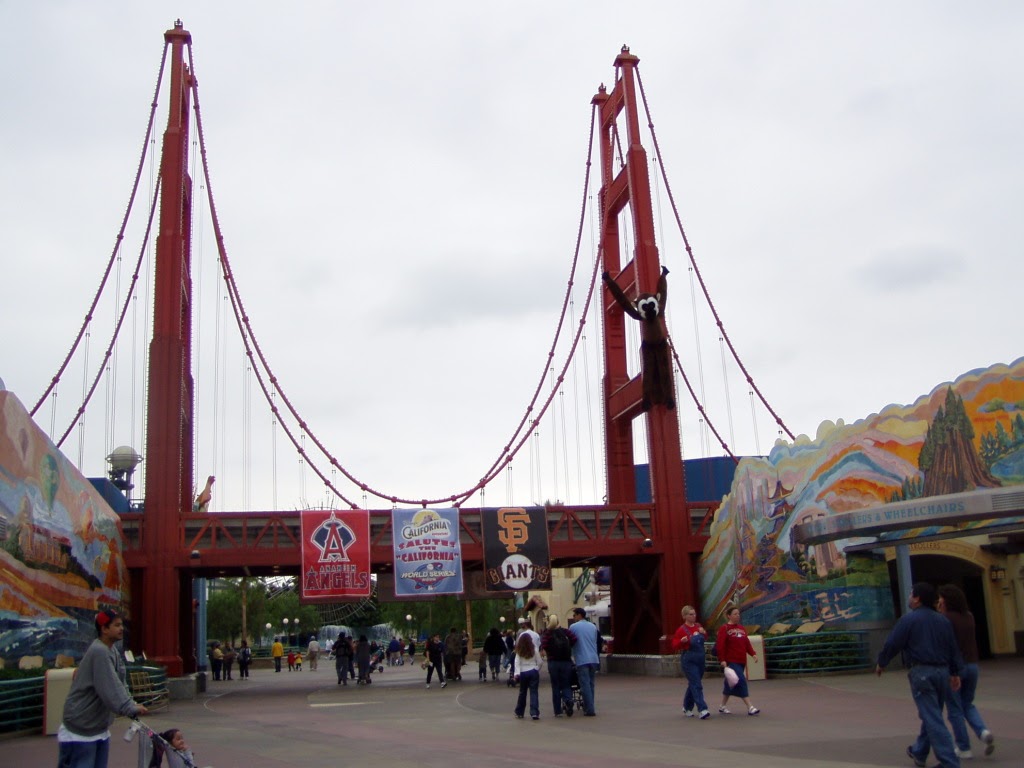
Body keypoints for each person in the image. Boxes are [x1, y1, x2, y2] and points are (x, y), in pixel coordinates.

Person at [876, 581, 963, 768]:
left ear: (917, 598)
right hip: (943, 672)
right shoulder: (942, 620)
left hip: (922, 672)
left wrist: (882, 662)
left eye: (911, 594)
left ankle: (950, 762)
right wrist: (955, 672)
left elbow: (893, 643)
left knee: (932, 717)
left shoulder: (909, 620)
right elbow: (952, 647)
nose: (909, 597)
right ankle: (919, 751)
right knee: (932, 714)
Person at [57, 609, 148, 768]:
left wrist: (129, 703)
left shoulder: (111, 650)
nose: (121, 629)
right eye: (117, 625)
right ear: (104, 629)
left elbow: (119, 680)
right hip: (80, 728)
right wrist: (128, 707)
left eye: (122, 625)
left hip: (96, 726)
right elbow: (108, 686)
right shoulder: (99, 651)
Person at [937, 584, 995, 757]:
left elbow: (944, 643)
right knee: (967, 703)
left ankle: (964, 747)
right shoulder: (969, 616)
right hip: (972, 665)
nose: (938, 601)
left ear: (947, 600)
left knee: (954, 709)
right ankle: (983, 732)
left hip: (954, 668)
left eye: (940, 598)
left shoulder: (945, 619)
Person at [665, 605, 710, 719]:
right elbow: (674, 645)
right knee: (696, 684)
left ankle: (687, 706)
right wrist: (681, 641)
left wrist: (703, 632)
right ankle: (702, 709)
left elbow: (704, 638)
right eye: (691, 614)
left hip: (700, 657)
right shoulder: (681, 630)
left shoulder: (698, 626)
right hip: (689, 658)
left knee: (694, 683)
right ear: (685, 616)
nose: (693, 616)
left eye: (694, 614)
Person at [715, 605, 760, 715]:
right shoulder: (724, 628)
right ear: (729, 616)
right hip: (731, 661)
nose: (737, 616)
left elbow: (746, 643)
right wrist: (722, 659)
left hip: (741, 661)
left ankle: (722, 706)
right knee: (740, 681)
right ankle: (750, 706)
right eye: (735, 614)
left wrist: (753, 654)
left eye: (738, 614)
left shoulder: (742, 628)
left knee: (730, 683)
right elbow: (720, 645)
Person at [540, 614, 576, 717]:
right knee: (566, 684)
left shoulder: (547, 634)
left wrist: (549, 651)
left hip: (553, 662)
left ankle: (558, 711)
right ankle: (568, 700)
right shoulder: (565, 631)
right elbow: (574, 639)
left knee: (555, 686)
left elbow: (544, 645)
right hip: (566, 662)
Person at [568, 607, 600, 716]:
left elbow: (571, 641)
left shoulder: (573, 627)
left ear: (579, 615)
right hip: (593, 658)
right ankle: (589, 705)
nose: (574, 617)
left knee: (584, 684)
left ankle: (590, 709)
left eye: (574, 615)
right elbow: (595, 641)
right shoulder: (593, 627)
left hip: (582, 659)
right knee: (591, 684)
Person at [512, 632, 543, 720]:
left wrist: (516, 674)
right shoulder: (534, 649)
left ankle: (519, 712)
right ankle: (534, 712)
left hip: (523, 672)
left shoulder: (519, 651)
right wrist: (536, 669)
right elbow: (540, 662)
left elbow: (516, 663)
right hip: (533, 671)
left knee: (522, 692)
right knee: (534, 692)